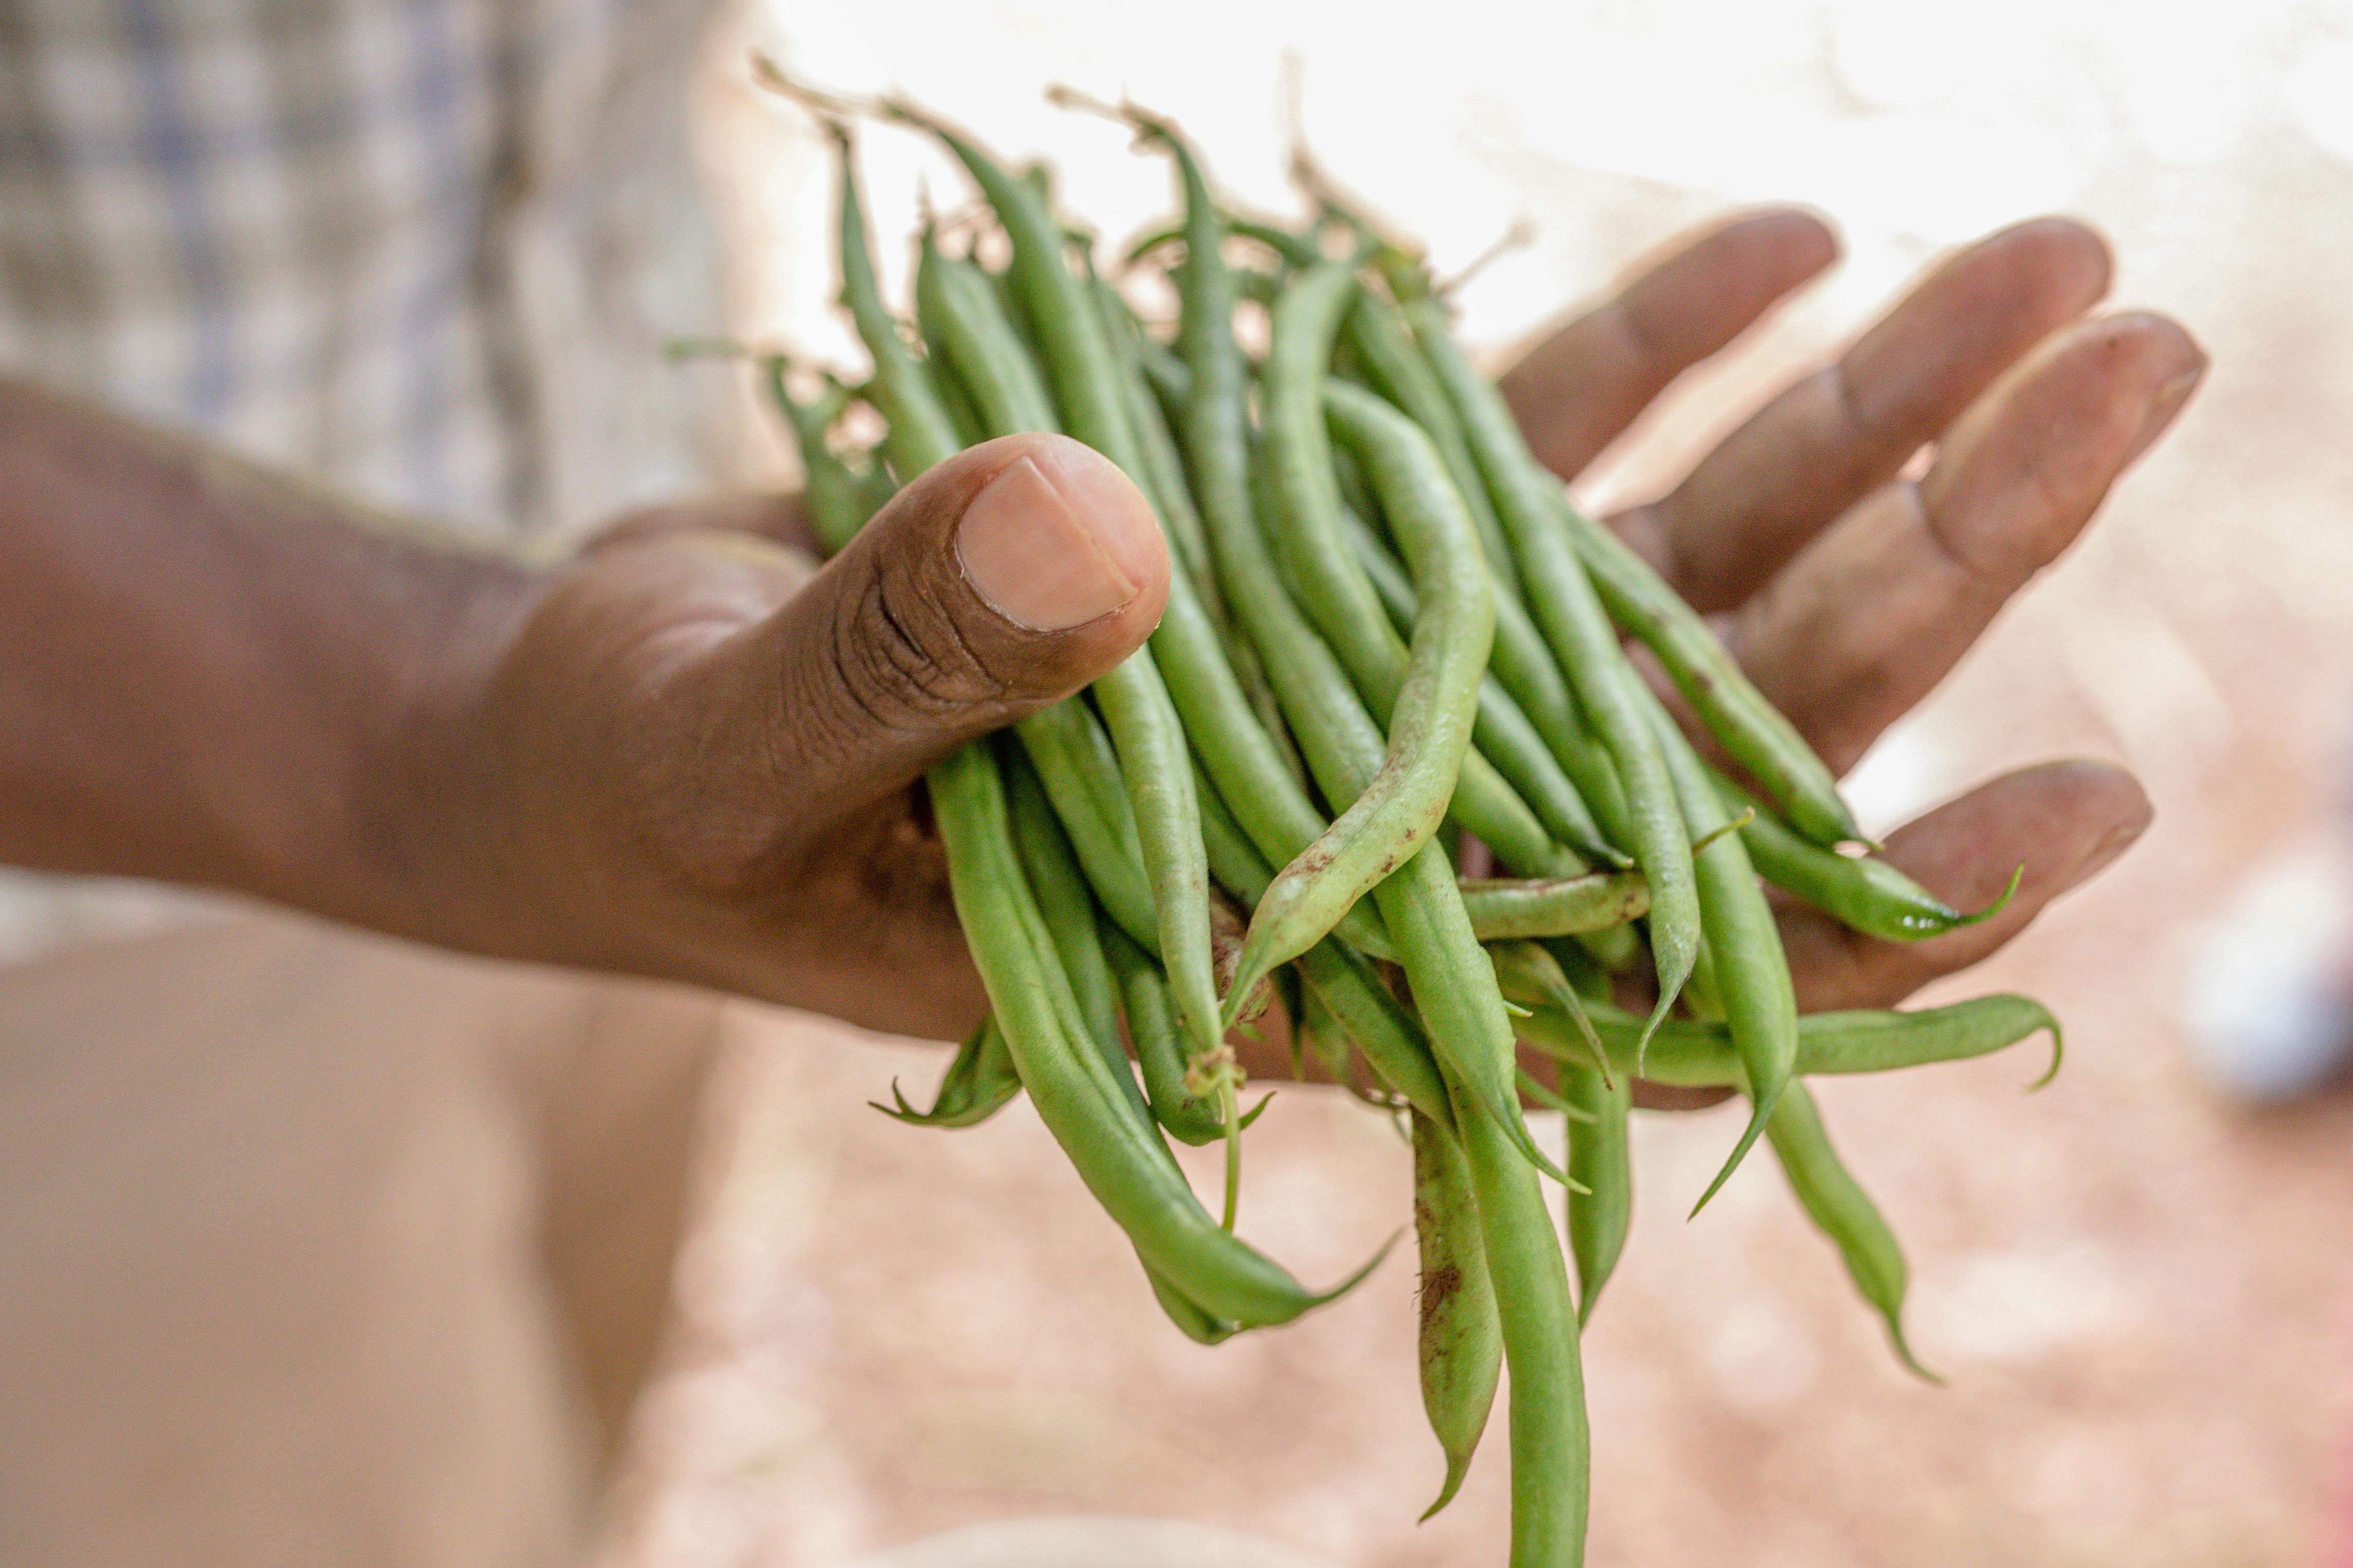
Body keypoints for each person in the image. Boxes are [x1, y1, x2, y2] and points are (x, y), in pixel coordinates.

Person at [0, 2, 2202, 1562]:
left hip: (638, 607)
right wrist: (422, 718)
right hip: (100, 908)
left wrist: (494, 717)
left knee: (553, 1449)